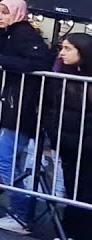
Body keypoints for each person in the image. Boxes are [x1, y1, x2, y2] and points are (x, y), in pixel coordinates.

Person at [0, 0, 53, 235]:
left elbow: (39, 61)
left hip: (22, 106)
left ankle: (21, 214)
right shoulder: (11, 34)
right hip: (16, 104)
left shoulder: (23, 34)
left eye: (4, 12)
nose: (0, 16)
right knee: (11, 160)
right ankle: (21, 212)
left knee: (6, 159)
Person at [45, 33, 92, 237]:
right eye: (61, 48)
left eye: (68, 48)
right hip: (69, 144)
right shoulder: (62, 74)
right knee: (73, 189)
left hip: (86, 146)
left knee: (85, 192)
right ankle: (69, 231)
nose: (62, 53)